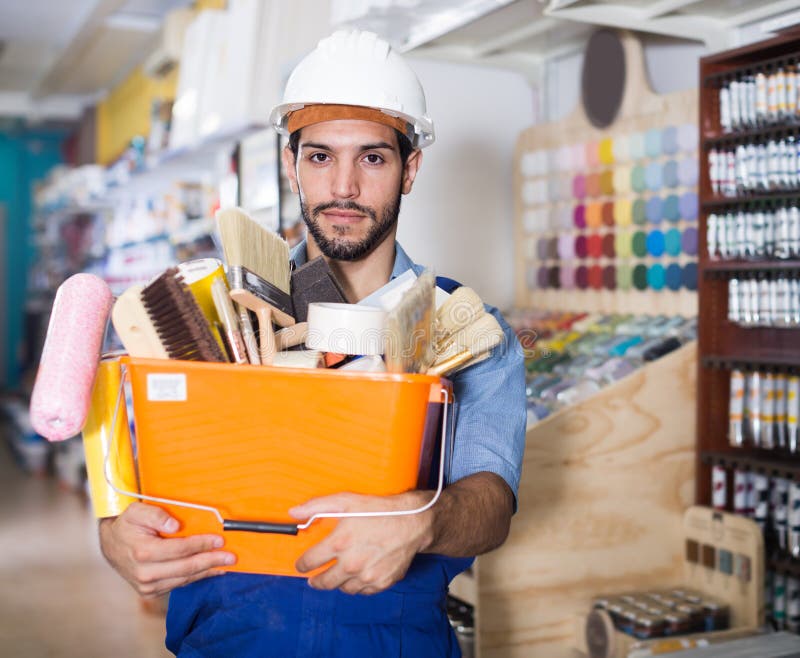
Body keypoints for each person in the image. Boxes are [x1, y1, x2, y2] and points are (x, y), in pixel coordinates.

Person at [99, 29, 526, 657]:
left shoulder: (469, 332)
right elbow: (136, 477)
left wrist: (424, 519)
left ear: (410, 169)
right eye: (320, 157)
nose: (344, 187)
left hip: (390, 640)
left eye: (373, 158)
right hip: (227, 638)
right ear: (290, 163)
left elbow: (492, 504)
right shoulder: (211, 315)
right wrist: (114, 532)